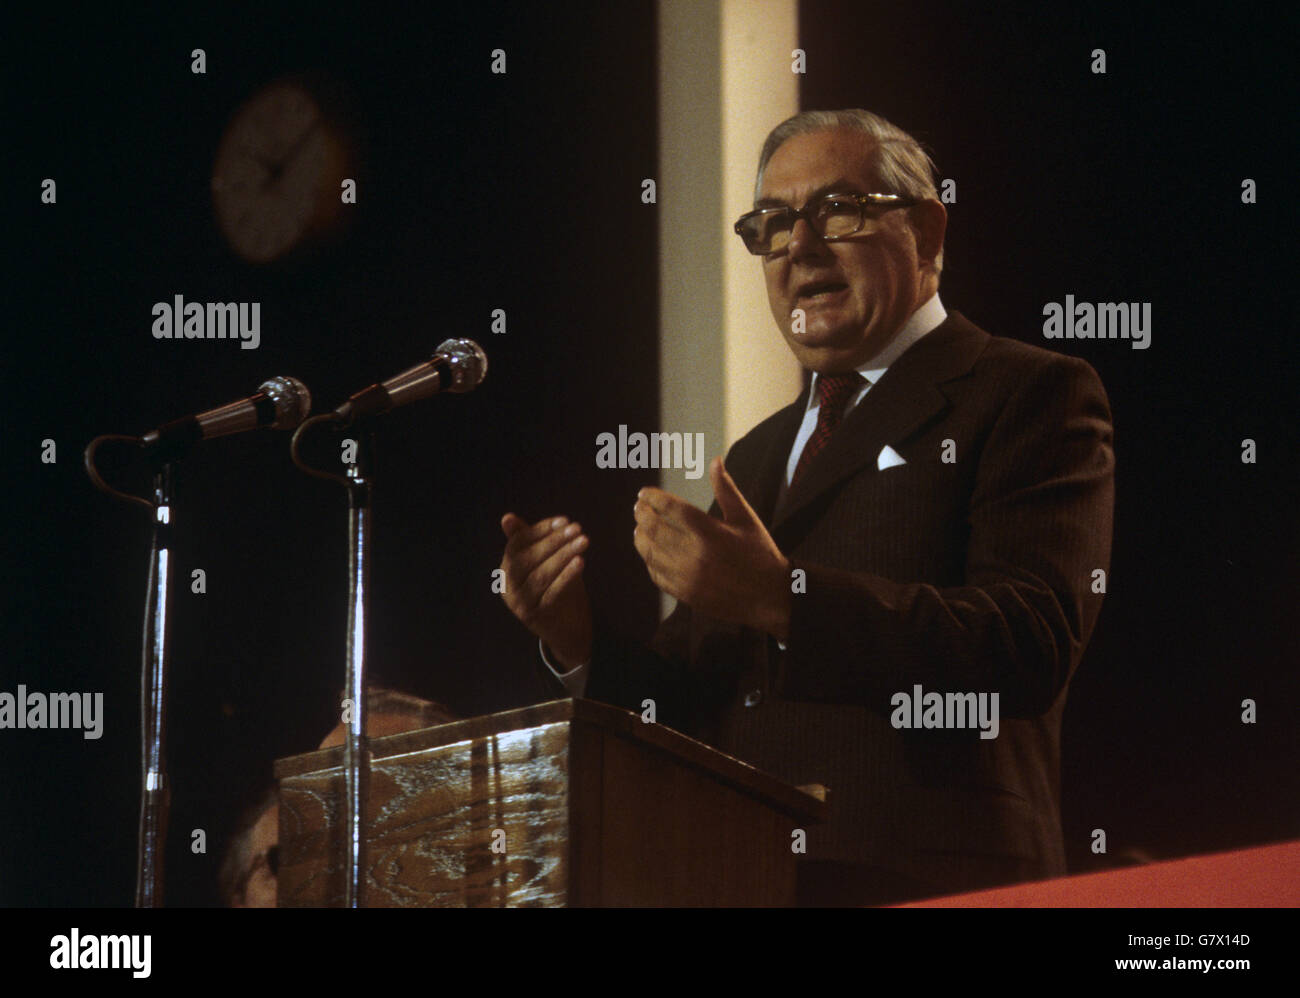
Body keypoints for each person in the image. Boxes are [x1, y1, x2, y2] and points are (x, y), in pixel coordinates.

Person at [499, 109, 1114, 905]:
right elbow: (688, 708)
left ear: (928, 231)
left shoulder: (1028, 392)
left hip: (934, 882)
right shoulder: (758, 454)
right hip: (746, 877)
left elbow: (1028, 643)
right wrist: (576, 640)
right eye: (775, 223)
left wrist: (780, 598)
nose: (800, 246)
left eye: (838, 210)